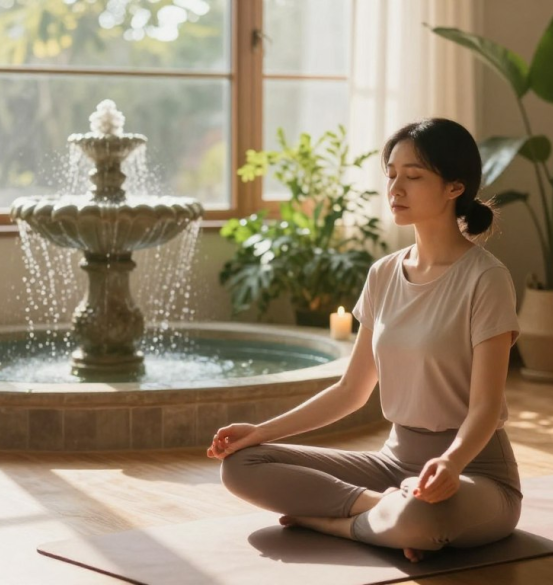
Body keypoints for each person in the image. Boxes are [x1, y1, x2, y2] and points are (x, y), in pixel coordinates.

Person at [207, 118, 522, 563]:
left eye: (413, 177)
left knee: (422, 518)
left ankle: (331, 521)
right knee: (241, 465)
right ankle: (378, 512)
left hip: (474, 474)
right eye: (391, 174)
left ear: (454, 187)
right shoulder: (383, 274)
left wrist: (450, 464)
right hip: (392, 466)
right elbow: (350, 391)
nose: (395, 188)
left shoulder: (487, 279)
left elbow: (486, 407)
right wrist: (259, 432)